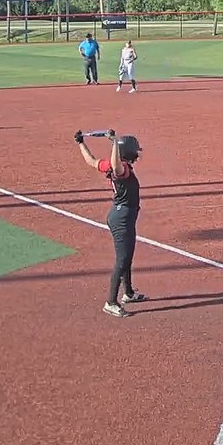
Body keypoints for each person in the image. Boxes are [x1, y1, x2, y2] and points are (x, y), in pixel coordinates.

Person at [74, 128, 148, 317]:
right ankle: (111, 302)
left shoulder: (112, 166)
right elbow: (116, 166)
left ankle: (129, 293)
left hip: (123, 217)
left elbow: (91, 161)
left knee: (127, 256)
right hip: (121, 219)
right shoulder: (120, 169)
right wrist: (113, 142)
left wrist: (81, 143)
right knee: (122, 260)